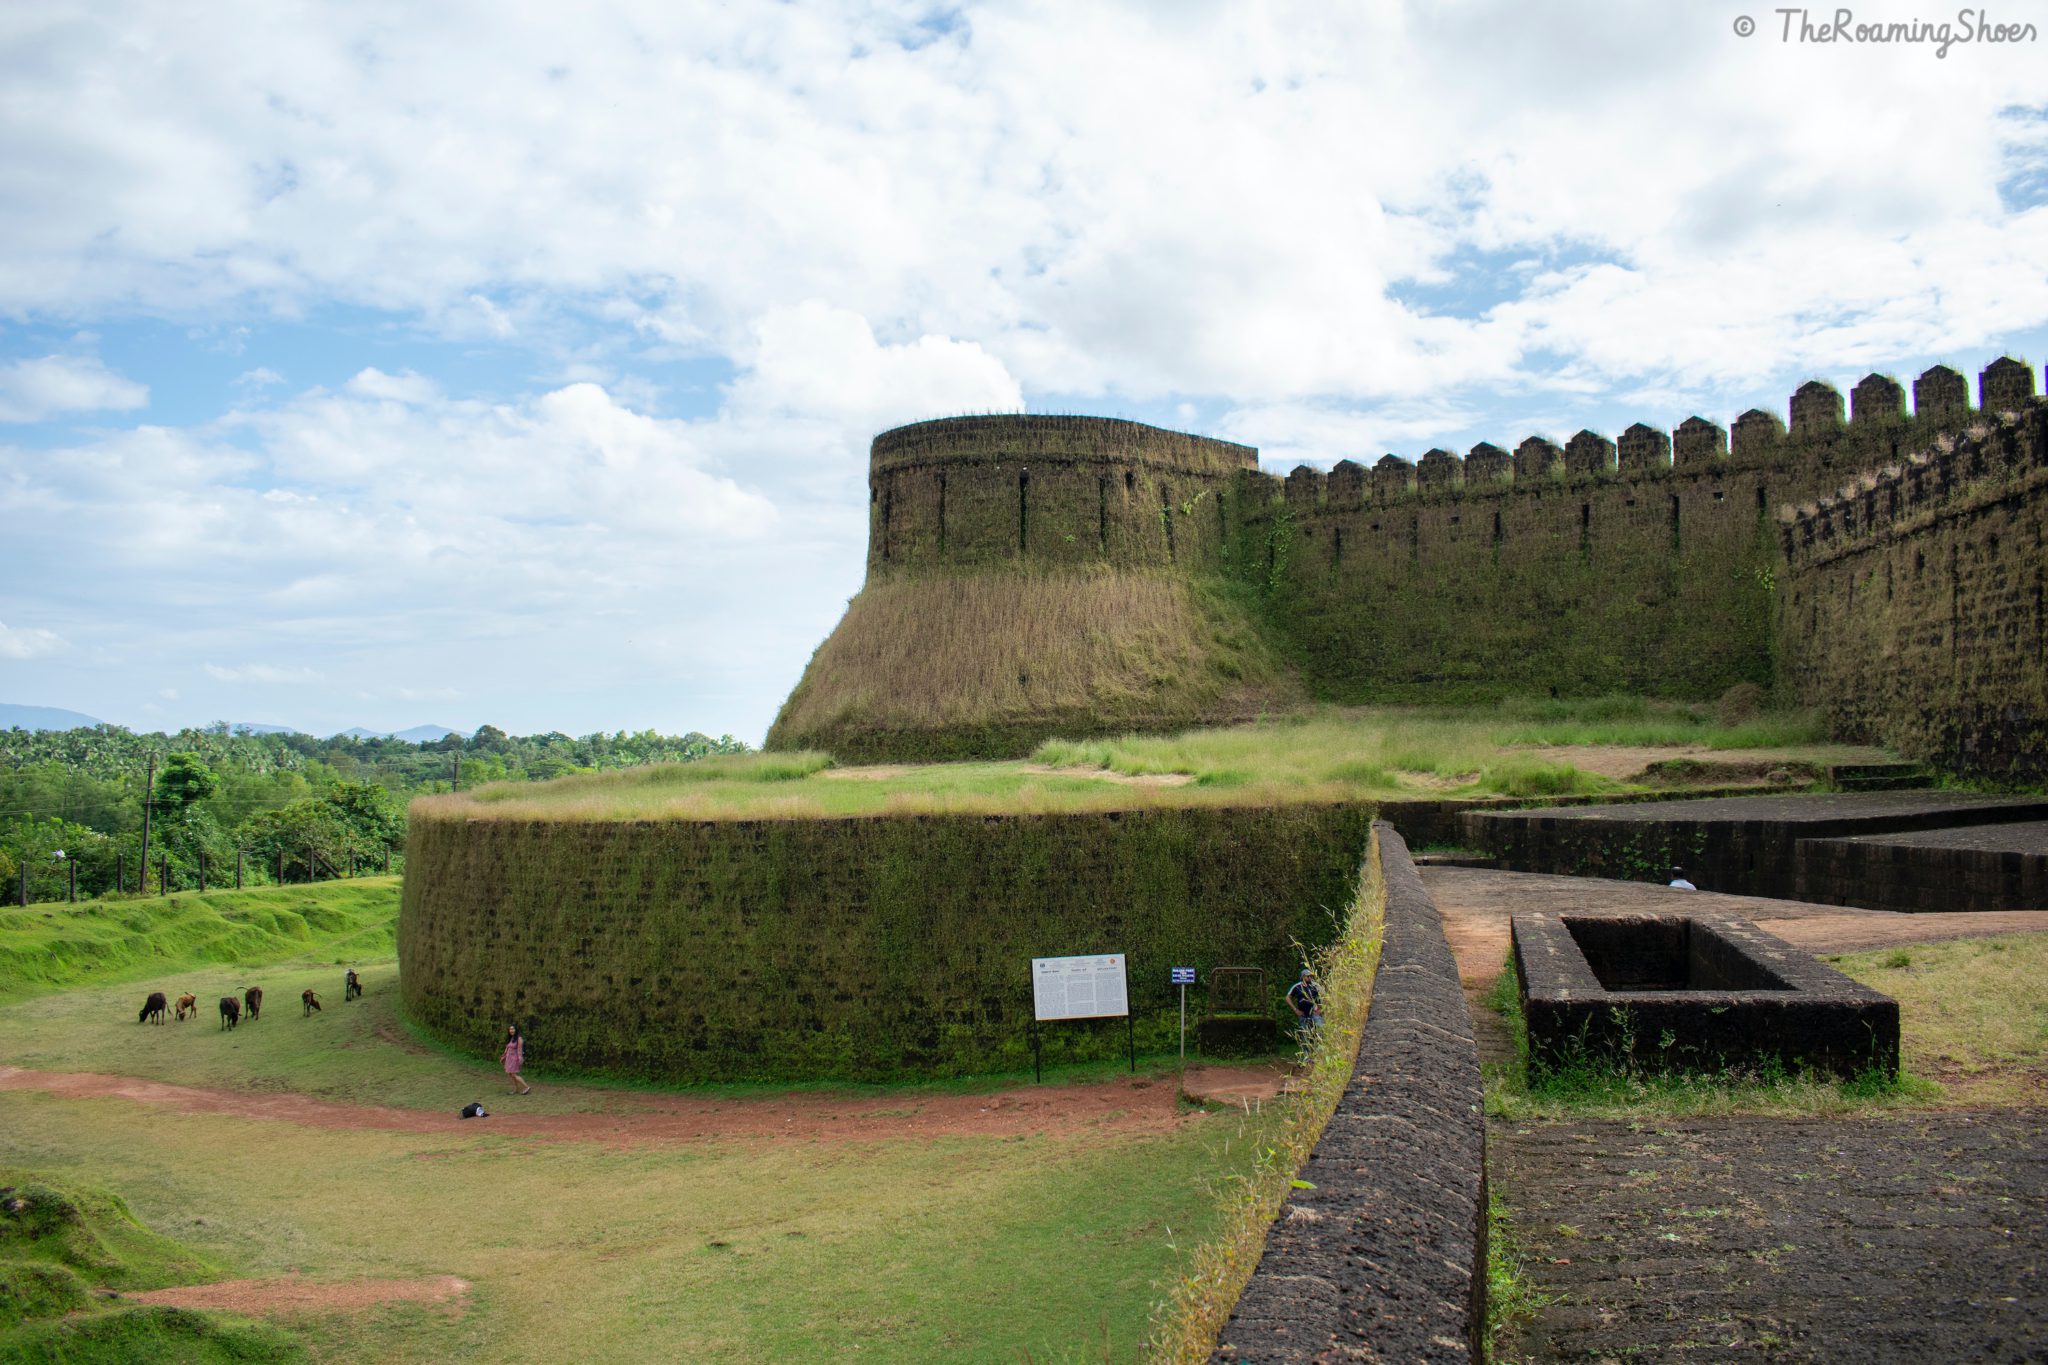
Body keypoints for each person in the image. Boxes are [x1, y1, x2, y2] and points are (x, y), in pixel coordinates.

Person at [1286, 969, 1323, 1043]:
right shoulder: (1297, 986)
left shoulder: (1315, 985)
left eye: (1311, 976)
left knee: (1320, 1030)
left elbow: (1324, 997)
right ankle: (1306, 1053)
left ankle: (1320, 1052)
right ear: (1303, 977)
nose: (1310, 978)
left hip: (1314, 1013)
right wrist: (1295, 1010)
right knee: (1304, 1035)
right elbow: (1288, 998)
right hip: (1303, 1014)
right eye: (1308, 976)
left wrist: (1320, 1008)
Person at [502, 1023, 532, 1095]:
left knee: (514, 1074)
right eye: (510, 1029)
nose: (511, 1030)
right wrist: (504, 1056)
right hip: (509, 1058)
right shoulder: (511, 1038)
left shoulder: (519, 1038)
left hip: (514, 1059)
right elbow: (507, 1048)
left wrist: (520, 1059)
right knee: (511, 1074)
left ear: (516, 1030)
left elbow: (519, 1050)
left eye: (513, 1029)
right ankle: (516, 1089)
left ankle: (526, 1087)